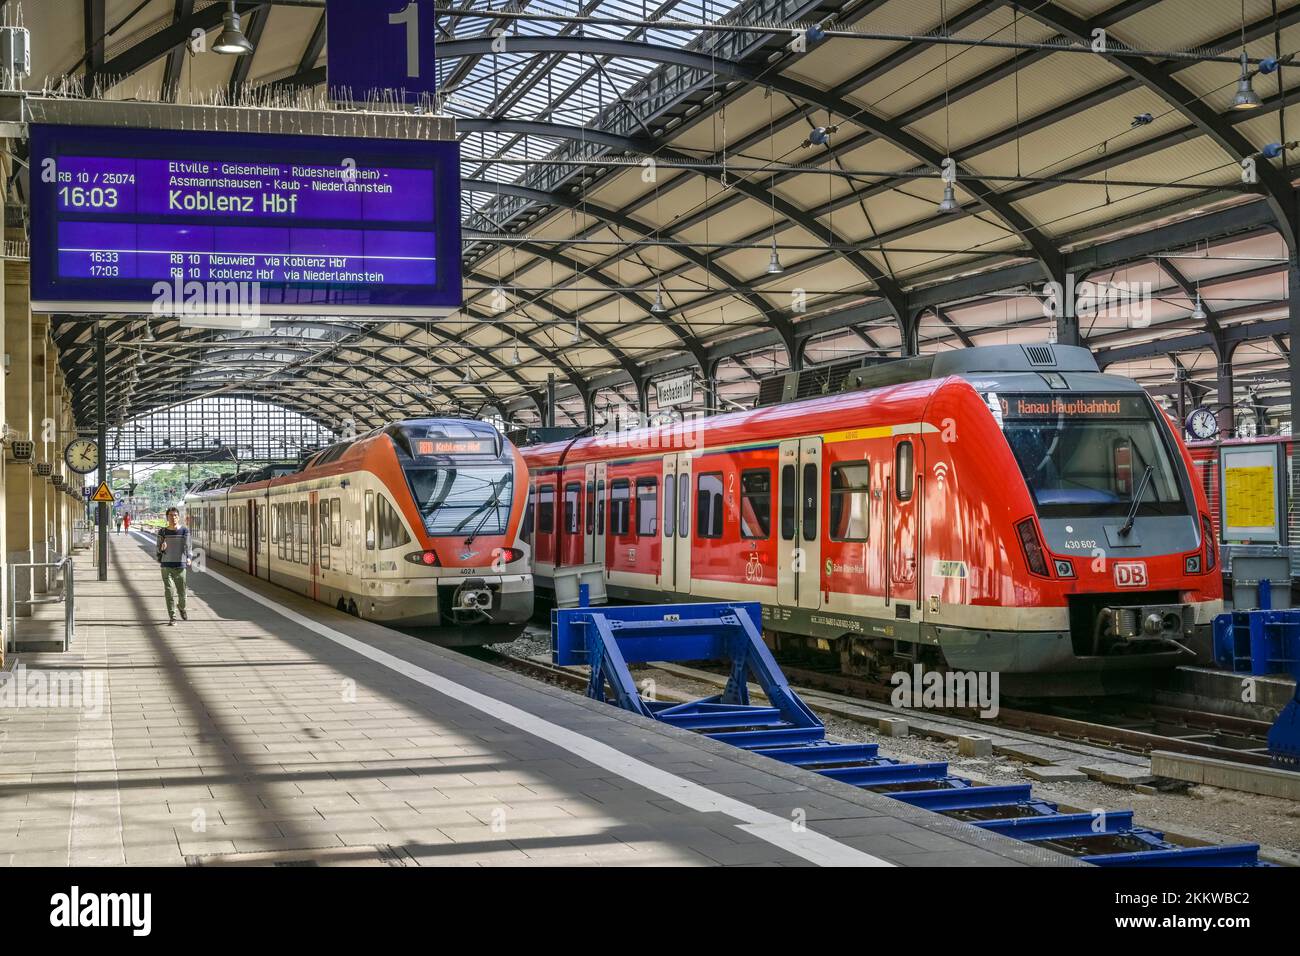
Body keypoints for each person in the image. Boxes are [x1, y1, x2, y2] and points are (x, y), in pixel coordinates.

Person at [156, 507, 190, 625]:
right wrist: (162, 548)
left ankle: (181, 607)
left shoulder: (184, 531)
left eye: (175, 515)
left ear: (178, 517)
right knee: (169, 591)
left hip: (180, 565)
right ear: (167, 517)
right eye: (170, 515)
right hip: (166, 566)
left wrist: (189, 558)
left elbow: (188, 546)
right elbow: (158, 549)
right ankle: (172, 617)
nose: (173, 517)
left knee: (182, 594)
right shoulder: (162, 532)